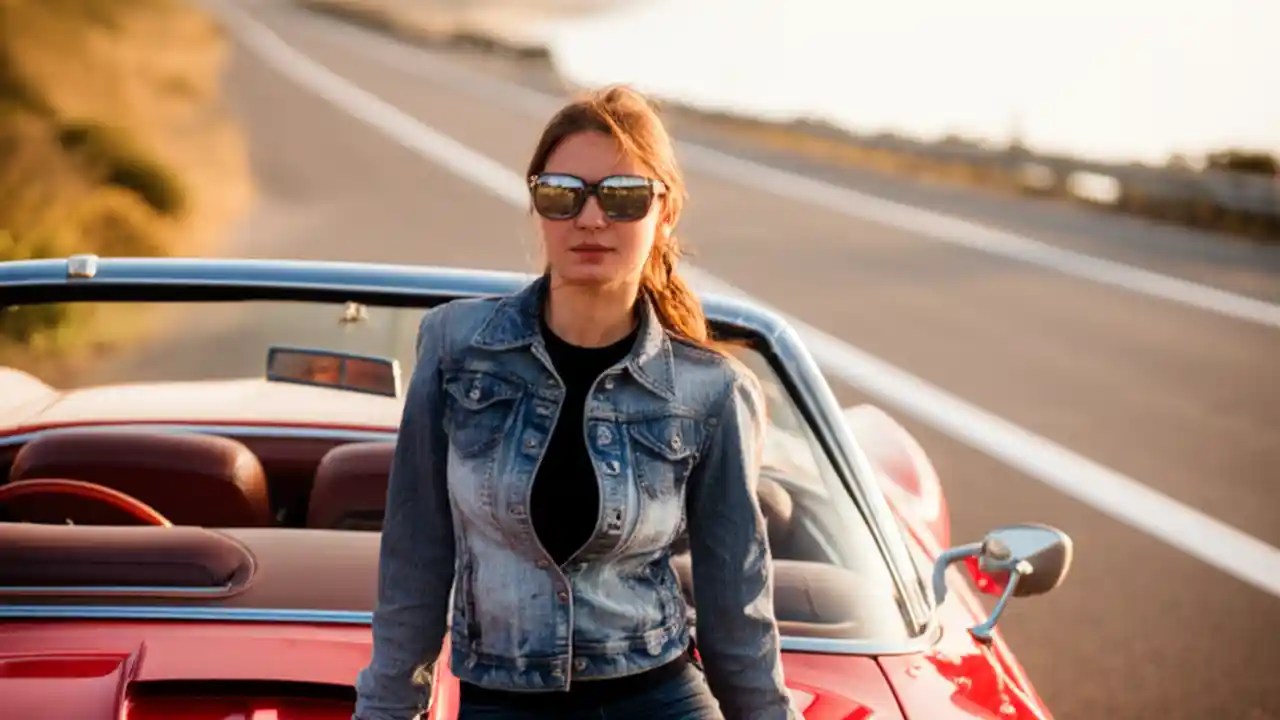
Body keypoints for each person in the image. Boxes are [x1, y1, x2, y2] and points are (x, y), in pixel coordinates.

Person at [353, 85, 796, 720]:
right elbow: (416, 559)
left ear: (663, 213)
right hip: (497, 700)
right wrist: (386, 709)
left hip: (656, 697)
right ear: (537, 206)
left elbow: (738, 610)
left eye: (622, 197)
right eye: (563, 193)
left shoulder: (711, 392)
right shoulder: (455, 349)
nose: (590, 219)